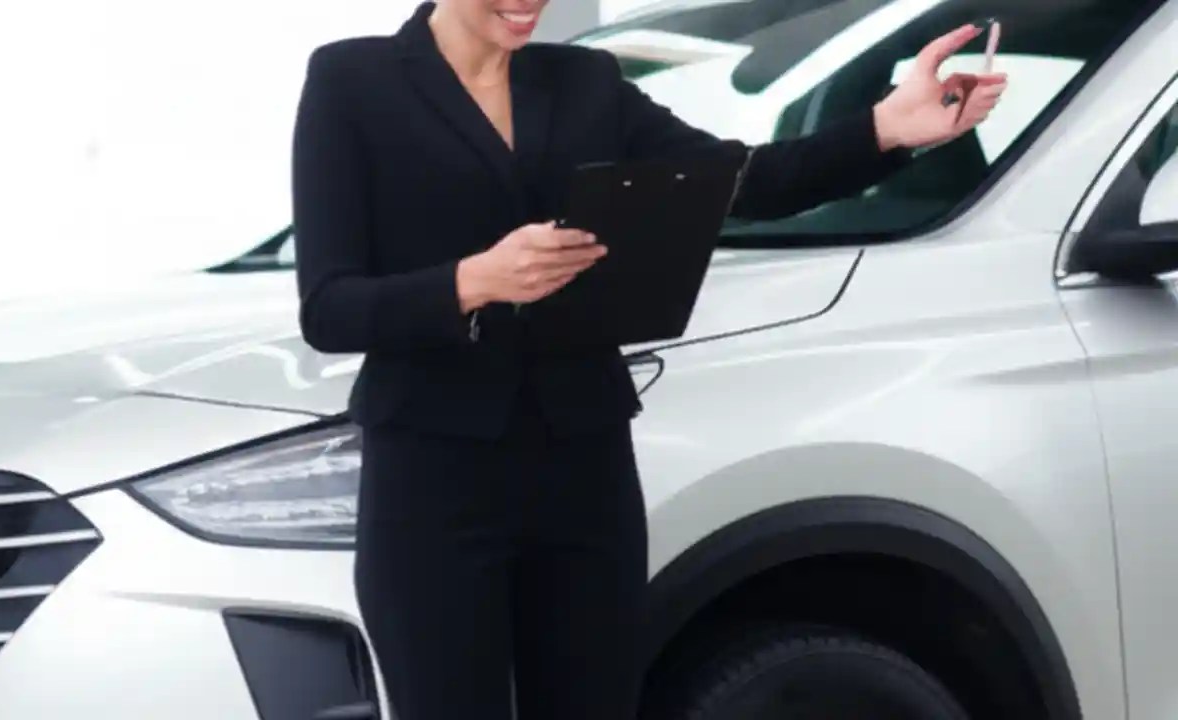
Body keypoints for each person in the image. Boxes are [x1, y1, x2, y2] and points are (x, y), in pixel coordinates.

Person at [290, 2, 1007, 718]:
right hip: (432, 476)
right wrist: (474, 281)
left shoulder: (584, 81)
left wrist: (887, 128)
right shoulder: (353, 80)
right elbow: (329, 307)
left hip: (584, 468)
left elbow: (744, 181)